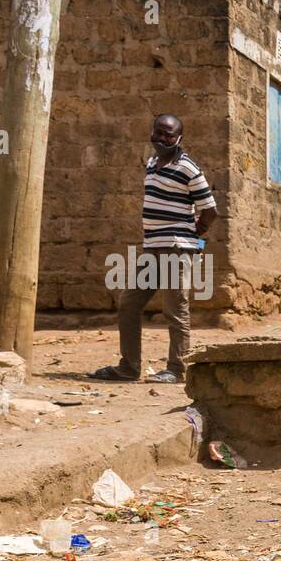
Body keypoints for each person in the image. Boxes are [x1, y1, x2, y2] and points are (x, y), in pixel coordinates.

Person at [90, 114, 216, 383]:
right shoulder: (151, 164)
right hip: (152, 247)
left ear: (179, 138)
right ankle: (129, 367)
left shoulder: (188, 168)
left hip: (176, 247)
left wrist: (195, 232)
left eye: (169, 134)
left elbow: (210, 209)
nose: (162, 138)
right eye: (158, 132)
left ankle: (177, 368)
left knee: (175, 308)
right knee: (129, 302)